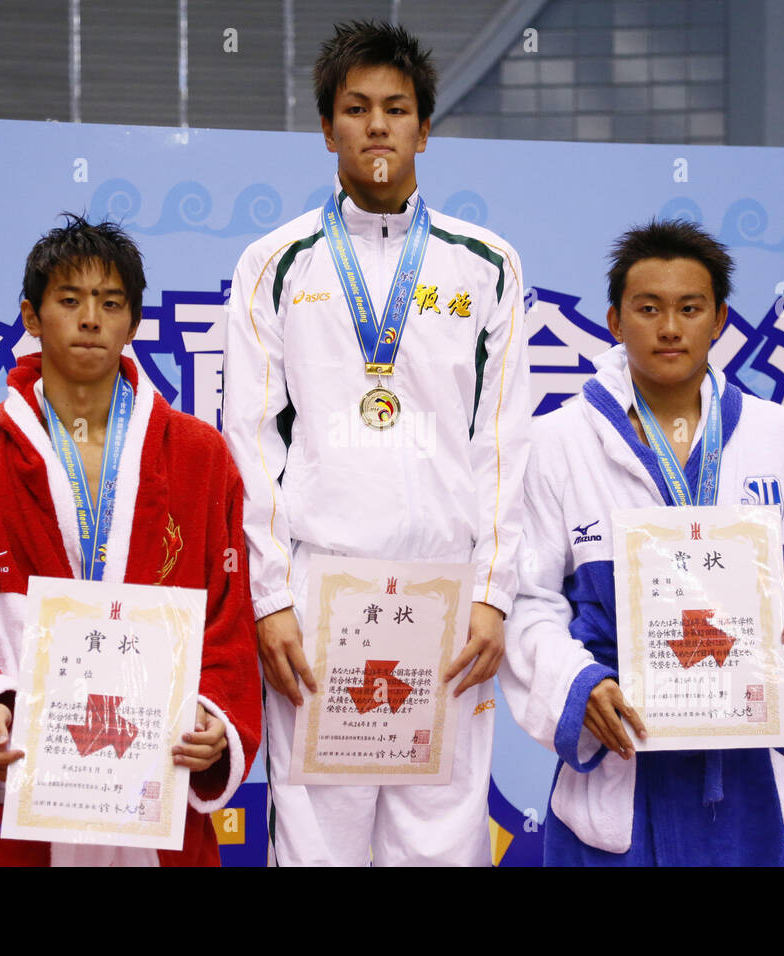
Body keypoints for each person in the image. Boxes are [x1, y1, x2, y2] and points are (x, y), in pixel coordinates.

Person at [222, 20, 529, 866]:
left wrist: (494, 595)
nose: (377, 126)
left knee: (443, 842)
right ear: (327, 128)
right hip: (322, 595)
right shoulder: (273, 264)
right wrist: (271, 596)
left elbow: (502, 443)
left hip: (449, 598)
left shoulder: (487, 264)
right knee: (320, 844)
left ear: (426, 127)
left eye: (397, 108)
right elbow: (250, 445)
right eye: (356, 109)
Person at [0, 214, 261, 866]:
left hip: (157, 784)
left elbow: (230, 620)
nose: (91, 319)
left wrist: (215, 720)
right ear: (31, 317)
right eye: (69, 300)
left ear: (133, 324)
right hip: (24, 784)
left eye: (110, 303)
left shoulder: (201, 459)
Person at [501, 219, 784, 866]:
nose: (670, 327)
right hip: (623, 757)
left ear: (720, 318)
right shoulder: (557, 443)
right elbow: (526, 596)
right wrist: (577, 685)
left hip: (751, 761)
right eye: (649, 309)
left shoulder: (781, 437)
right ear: (614, 320)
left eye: (690, 308)